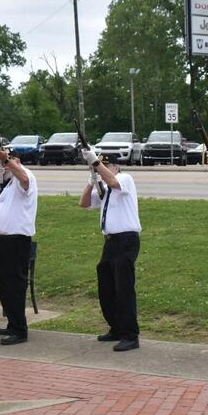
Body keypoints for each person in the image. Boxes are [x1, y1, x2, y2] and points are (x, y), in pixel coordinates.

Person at [79, 151, 142, 352]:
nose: (101, 168)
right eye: (100, 165)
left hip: (126, 239)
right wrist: (92, 181)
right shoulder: (105, 188)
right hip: (110, 242)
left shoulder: (124, 179)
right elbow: (84, 203)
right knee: (106, 286)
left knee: (124, 288)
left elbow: (114, 182)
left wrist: (95, 163)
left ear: (116, 166)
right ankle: (115, 327)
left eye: (105, 165)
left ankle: (130, 335)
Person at [0, 146, 37, 345]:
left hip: (16, 240)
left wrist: (9, 162)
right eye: (3, 161)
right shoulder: (4, 181)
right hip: (0, 240)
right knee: (4, 284)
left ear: (16, 160)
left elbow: (25, 180)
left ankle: (20, 329)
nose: (6, 165)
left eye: (9, 160)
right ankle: (12, 322)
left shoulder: (24, 176)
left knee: (15, 284)